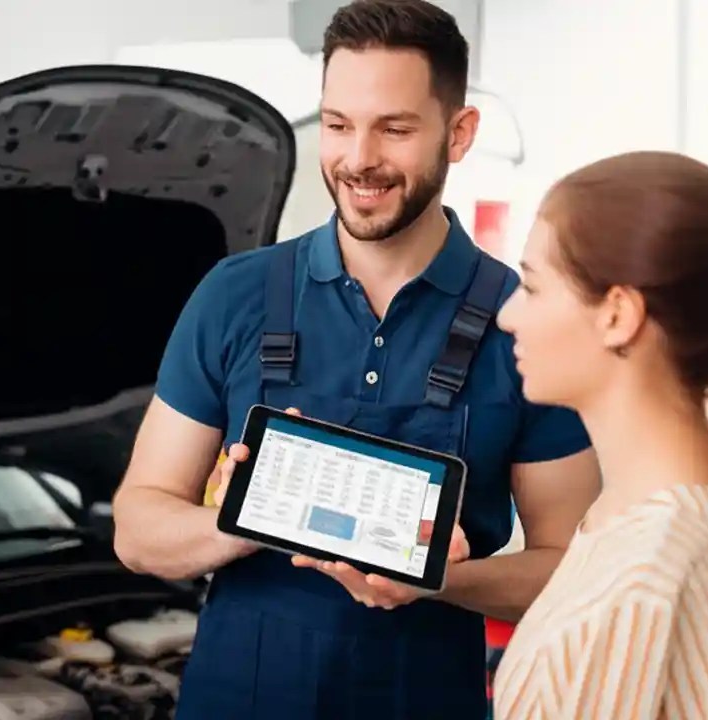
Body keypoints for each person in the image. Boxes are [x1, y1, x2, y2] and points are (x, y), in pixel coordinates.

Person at [111, 0, 601, 717]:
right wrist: (249, 517)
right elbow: (137, 527)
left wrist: (437, 581)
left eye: (394, 129)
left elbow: (573, 572)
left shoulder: (523, 321)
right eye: (339, 124)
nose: (359, 159)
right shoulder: (234, 295)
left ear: (459, 134)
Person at [489, 150, 708, 719]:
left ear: (617, 315)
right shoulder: (633, 526)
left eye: (531, 287)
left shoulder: (647, 581)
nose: (508, 316)